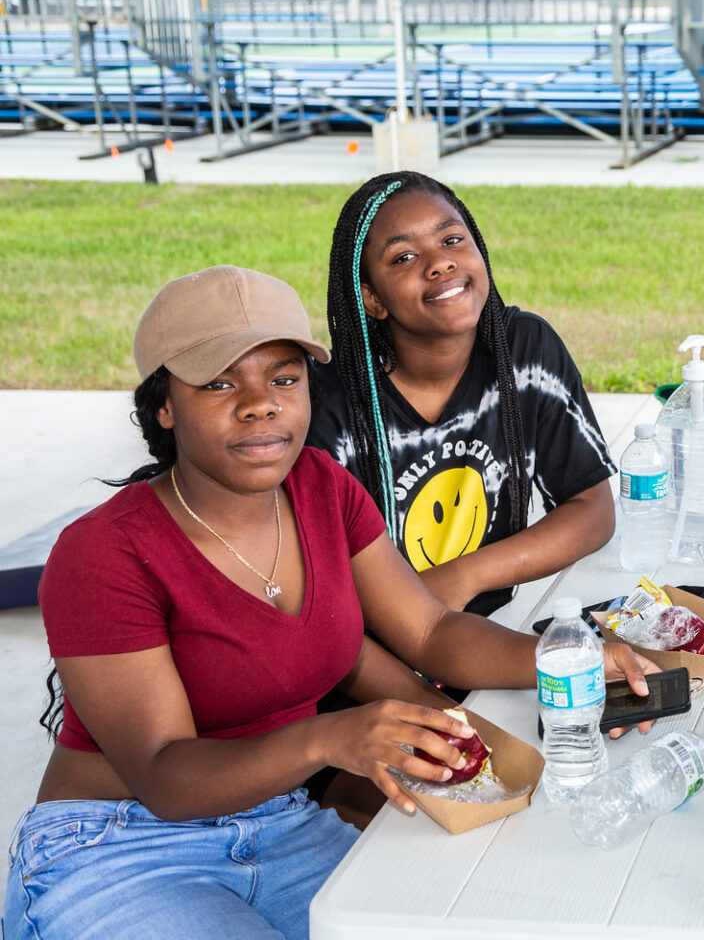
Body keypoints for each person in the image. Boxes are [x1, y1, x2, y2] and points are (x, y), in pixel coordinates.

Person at [3, 266, 655, 940]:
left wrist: (571, 661)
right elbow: (165, 775)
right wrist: (329, 738)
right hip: (122, 845)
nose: (260, 404)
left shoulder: (322, 487)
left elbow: (430, 631)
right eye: (220, 383)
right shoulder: (104, 553)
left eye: (283, 379)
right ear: (163, 405)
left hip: (283, 824)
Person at [309, 171, 616, 617]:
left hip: (496, 620)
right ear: (372, 299)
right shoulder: (329, 407)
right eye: (404, 256)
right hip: (375, 640)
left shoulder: (525, 353)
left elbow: (593, 509)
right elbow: (315, 588)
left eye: (452, 240)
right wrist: (417, 609)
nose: (439, 263)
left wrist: (465, 576)